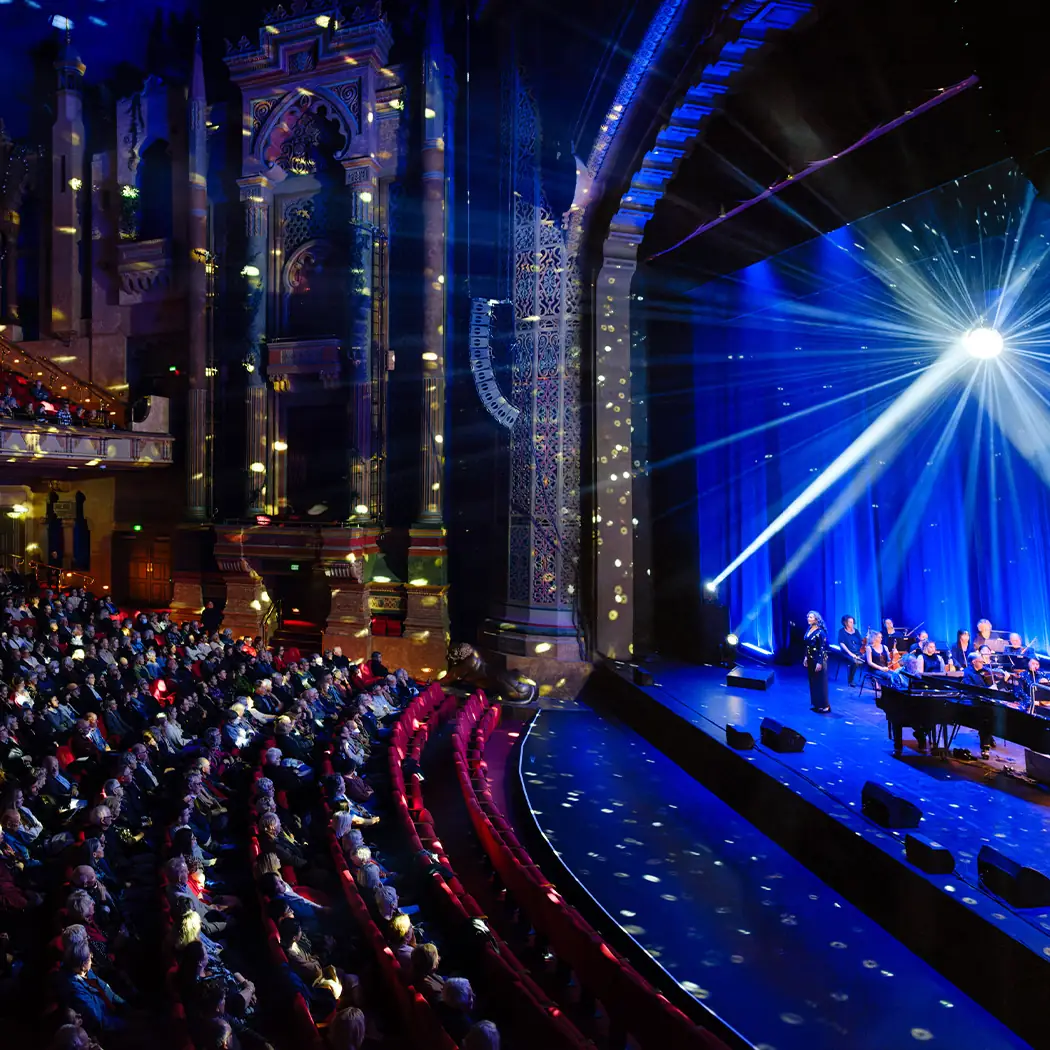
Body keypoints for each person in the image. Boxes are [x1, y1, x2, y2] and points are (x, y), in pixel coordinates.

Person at [803, 611, 829, 713]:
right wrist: (805, 657)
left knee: (820, 682)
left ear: (816, 619)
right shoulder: (809, 629)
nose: (808, 618)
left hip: (818, 659)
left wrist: (819, 662)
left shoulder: (820, 632)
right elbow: (807, 645)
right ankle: (816, 703)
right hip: (810, 658)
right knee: (813, 681)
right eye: (808, 617)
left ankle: (824, 705)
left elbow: (822, 648)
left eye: (811, 617)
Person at [836, 615, 863, 686]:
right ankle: (851, 680)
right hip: (847, 653)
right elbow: (842, 644)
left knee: (869, 658)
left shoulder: (856, 631)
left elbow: (861, 641)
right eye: (850, 622)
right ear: (845, 623)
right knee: (855, 661)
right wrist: (851, 654)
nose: (852, 624)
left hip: (857, 652)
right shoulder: (841, 632)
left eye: (853, 622)